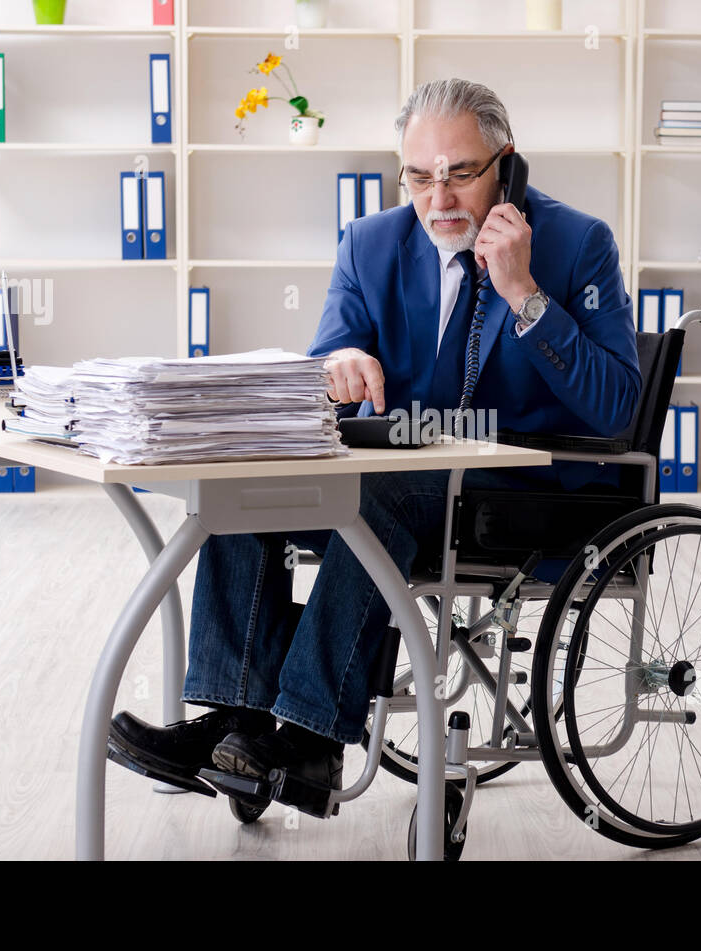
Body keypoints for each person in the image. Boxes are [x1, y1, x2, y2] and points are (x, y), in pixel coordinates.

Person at [108, 77, 641, 803]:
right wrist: (336, 370)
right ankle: (235, 721)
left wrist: (524, 295)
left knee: (384, 493)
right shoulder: (370, 243)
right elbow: (324, 364)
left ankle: (310, 740)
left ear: (508, 165)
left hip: (525, 489)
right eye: (419, 176)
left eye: (460, 174)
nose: (439, 198)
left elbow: (616, 408)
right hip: (404, 475)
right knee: (242, 480)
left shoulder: (580, 245)